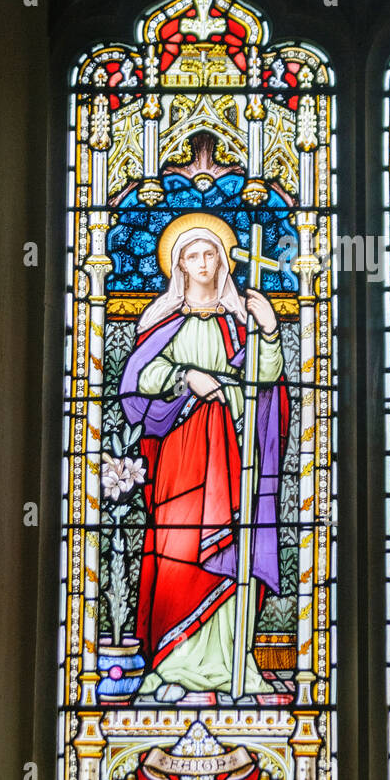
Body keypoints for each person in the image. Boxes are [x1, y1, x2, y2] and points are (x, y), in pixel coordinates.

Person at [119, 214, 288, 703]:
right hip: (183, 458)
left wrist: (270, 330)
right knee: (178, 546)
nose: (202, 263)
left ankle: (235, 661)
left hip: (236, 456)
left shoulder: (241, 327)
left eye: (210, 254)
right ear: (179, 267)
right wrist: (187, 376)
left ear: (222, 262)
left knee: (235, 548)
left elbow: (267, 378)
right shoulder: (163, 324)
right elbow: (138, 384)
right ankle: (173, 663)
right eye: (192, 256)